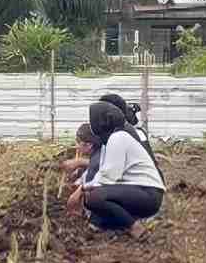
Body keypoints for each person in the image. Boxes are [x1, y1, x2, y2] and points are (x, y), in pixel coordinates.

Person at [70, 101, 165, 236]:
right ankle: (114, 225)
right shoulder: (111, 139)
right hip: (140, 191)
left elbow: (109, 177)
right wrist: (83, 188)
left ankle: (135, 227)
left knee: (95, 197)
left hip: (148, 194)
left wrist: (82, 189)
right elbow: (103, 173)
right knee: (94, 198)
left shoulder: (118, 138)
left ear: (100, 123)